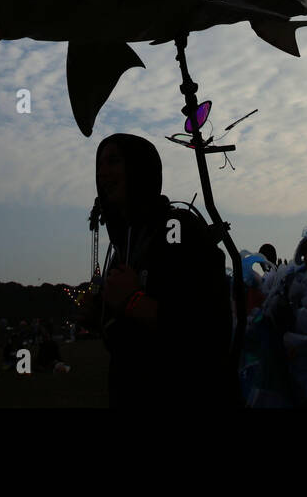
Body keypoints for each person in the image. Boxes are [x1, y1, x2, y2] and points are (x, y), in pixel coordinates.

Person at [78, 133, 235, 407]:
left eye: (113, 161)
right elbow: (126, 342)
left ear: (140, 168)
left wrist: (134, 300)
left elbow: (208, 331)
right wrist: (100, 314)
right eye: (99, 165)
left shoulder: (180, 230)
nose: (102, 173)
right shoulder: (122, 247)